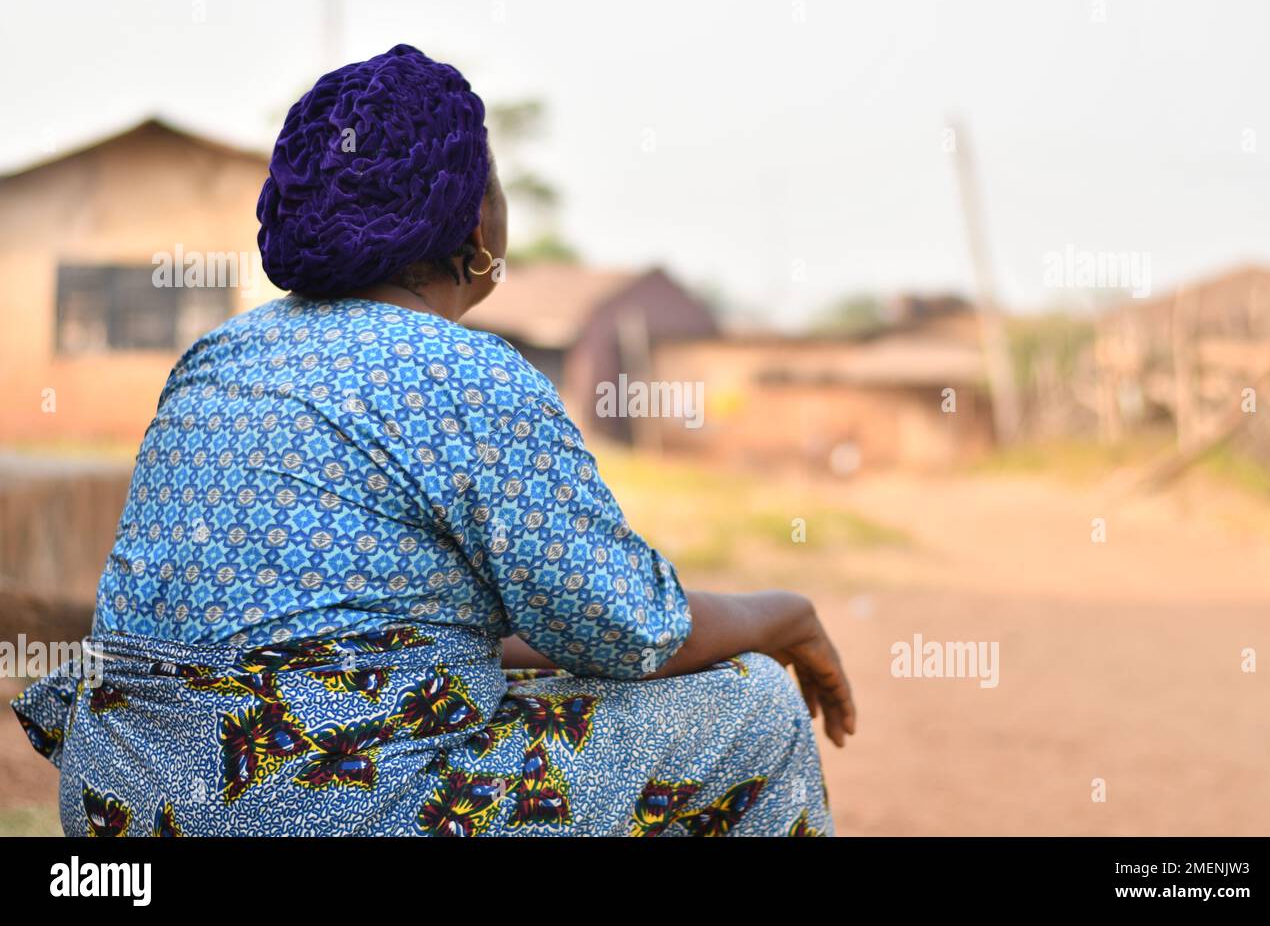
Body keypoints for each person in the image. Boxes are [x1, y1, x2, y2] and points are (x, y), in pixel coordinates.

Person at [13, 45, 854, 836]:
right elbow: (627, 631)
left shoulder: (218, 355)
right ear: (474, 219)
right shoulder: (468, 372)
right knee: (752, 713)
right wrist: (782, 616)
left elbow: (395, 634)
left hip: (125, 791)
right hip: (315, 801)